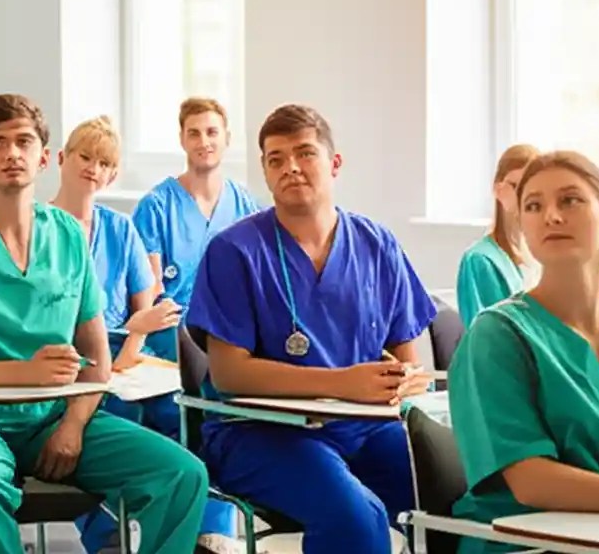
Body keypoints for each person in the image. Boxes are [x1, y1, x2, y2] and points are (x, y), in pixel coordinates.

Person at [0, 94, 209, 554]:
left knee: (181, 474)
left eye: (23, 141)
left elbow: (97, 359)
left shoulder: (66, 235)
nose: (11, 153)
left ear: (44, 157)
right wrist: (26, 372)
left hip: (51, 418)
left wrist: (74, 424)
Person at [185, 104, 437, 554]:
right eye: (276, 159)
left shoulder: (376, 244)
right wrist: (343, 385)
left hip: (365, 427)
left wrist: (402, 379)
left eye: (305, 153)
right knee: (357, 519)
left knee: (452, 500)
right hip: (260, 432)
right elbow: (228, 374)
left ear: (334, 163)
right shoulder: (234, 251)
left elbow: (407, 355)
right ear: (264, 171)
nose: (291, 168)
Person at [450, 151, 599, 554]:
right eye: (533, 206)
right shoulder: (497, 336)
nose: (551, 216)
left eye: (570, 200)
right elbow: (530, 482)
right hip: (534, 543)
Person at [50, 117, 202, 554]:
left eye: (103, 163)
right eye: (84, 157)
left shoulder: (119, 230)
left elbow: (149, 311)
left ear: (112, 174)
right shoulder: (41, 229)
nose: (92, 169)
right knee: (113, 414)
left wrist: (130, 345)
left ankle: (193, 532)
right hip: (72, 363)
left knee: (185, 417)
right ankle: (107, 537)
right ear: (62, 159)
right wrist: (117, 353)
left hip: (129, 359)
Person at [132, 97, 260, 361]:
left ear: (227, 138)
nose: (203, 142)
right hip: (172, 335)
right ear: (182, 139)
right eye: (194, 134)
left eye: (212, 132)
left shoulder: (245, 206)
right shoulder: (156, 207)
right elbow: (150, 289)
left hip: (231, 330)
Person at [456, 144, 539, 328]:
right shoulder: (480, 260)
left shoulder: (543, 257)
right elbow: (481, 338)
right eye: (517, 186)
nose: (525, 195)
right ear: (498, 190)